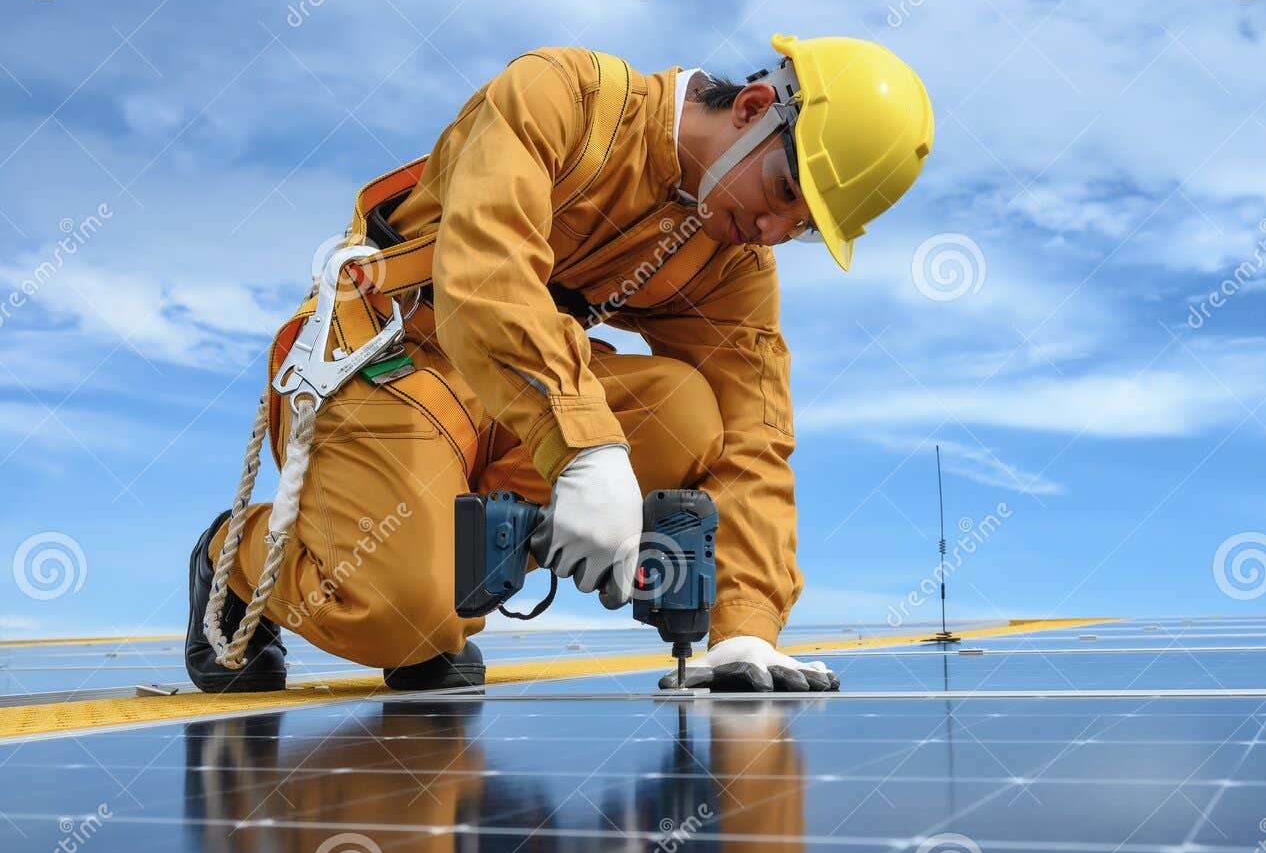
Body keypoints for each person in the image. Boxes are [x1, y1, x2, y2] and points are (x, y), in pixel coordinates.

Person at [186, 34, 934, 694]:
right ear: (753, 109)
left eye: (798, 229)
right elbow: (485, 274)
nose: (770, 231)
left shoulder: (731, 253)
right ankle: (238, 554)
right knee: (400, 613)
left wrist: (745, 625)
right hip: (397, 362)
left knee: (690, 413)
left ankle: (435, 567)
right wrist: (584, 448)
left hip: (514, 401)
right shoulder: (562, 96)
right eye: (781, 191)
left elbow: (754, 435)